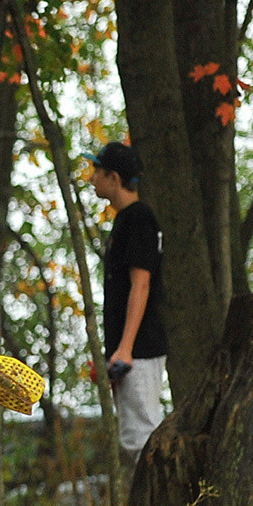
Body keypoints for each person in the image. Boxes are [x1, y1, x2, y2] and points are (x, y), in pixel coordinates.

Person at [85, 141, 167, 471]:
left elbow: (141, 283)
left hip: (140, 350)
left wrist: (126, 350)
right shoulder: (125, 220)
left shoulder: (139, 220)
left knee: (142, 439)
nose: (92, 179)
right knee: (134, 438)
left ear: (114, 178)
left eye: (97, 172)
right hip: (130, 349)